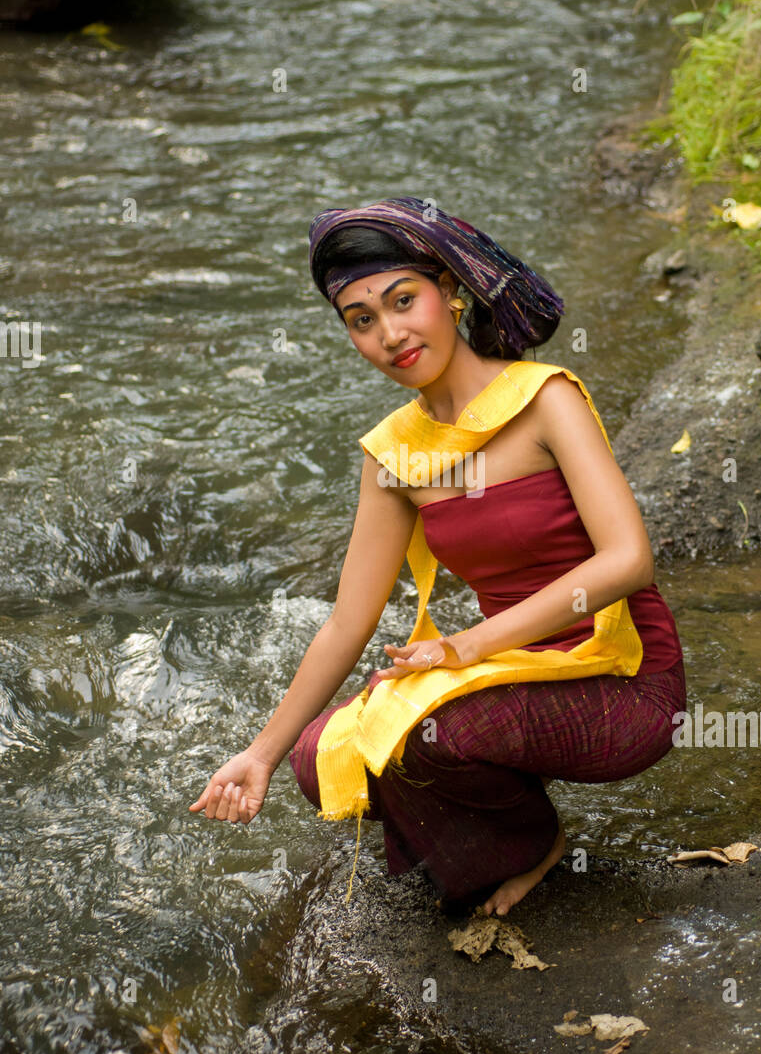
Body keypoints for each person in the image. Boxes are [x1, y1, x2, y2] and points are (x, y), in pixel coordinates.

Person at [190, 196, 686, 917]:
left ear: (450, 291)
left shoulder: (544, 400)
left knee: (429, 738)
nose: (390, 335)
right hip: (514, 674)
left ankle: (527, 843)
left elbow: (627, 561)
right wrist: (260, 752)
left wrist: (463, 646)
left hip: (625, 679)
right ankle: (499, 814)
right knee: (321, 756)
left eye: (402, 301)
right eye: (362, 321)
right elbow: (347, 621)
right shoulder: (393, 454)